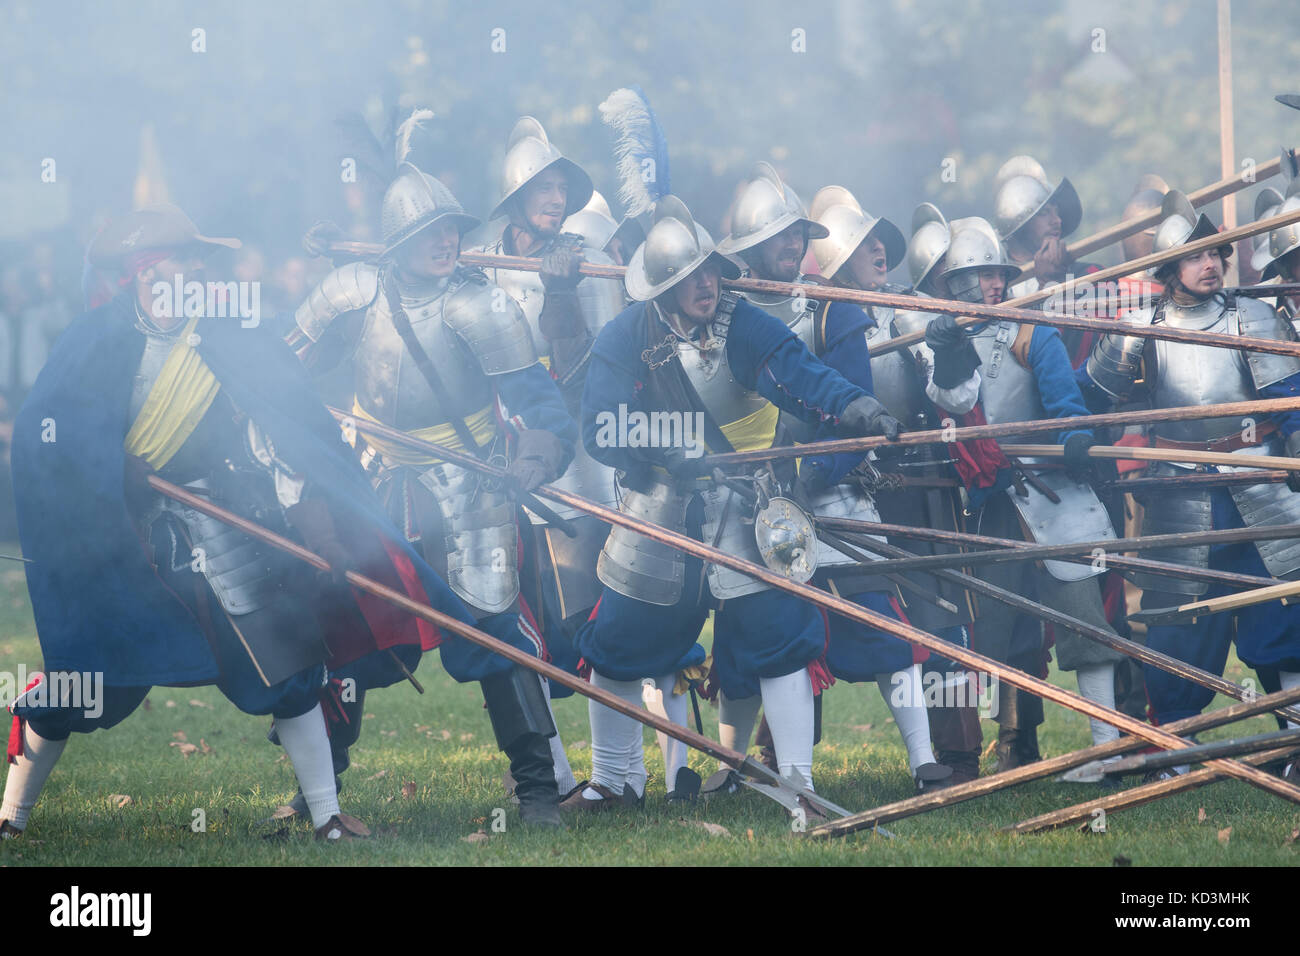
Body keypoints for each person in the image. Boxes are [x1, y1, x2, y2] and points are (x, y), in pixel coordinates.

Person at [2, 204, 476, 841]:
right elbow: (43, 436)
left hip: (221, 521)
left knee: (288, 665)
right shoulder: (92, 340)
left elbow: (290, 421)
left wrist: (321, 522)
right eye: (183, 259)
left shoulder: (231, 332)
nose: (197, 269)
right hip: (124, 537)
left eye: (200, 260)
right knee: (85, 683)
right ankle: (12, 817)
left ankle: (325, 815)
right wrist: (110, 468)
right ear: (144, 273)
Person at [569, 196, 900, 813]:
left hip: (752, 504)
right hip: (659, 511)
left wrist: (858, 410)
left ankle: (796, 783)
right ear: (663, 288)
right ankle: (614, 781)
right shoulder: (624, 336)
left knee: (781, 642)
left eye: (711, 271)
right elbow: (601, 427)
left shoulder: (745, 322)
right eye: (690, 276)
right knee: (614, 644)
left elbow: (801, 374)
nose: (706, 285)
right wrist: (672, 447)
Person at [290, 163, 579, 826]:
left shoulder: (480, 304)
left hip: (467, 482)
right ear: (397, 242)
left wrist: (537, 453)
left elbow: (539, 401)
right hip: (371, 479)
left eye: (452, 228)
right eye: (431, 231)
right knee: (345, 626)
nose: (448, 240)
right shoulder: (351, 292)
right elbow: (287, 368)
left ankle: (537, 789)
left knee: (495, 631)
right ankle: (320, 789)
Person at [1081, 191, 1300, 772]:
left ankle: (1296, 740)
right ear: (1169, 268)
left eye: (1217, 254)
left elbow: (1290, 402)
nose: (1212, 265)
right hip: (1180, 492)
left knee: (1282, 612)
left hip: (1261, 485)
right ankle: (1180, 745)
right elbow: (1086, 402)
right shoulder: (1138, 329)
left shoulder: (1249, 316)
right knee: (1180, 623)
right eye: (1197, 257)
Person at [934, 217, 1125, 770]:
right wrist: (946, 351)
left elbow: (1065, 401)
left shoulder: (1030, 329)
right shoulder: (942, 341)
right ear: (957, 284)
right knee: (999, 630)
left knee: (1084, 620)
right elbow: (952, 401)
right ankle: (1012, 747)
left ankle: (1105, 746)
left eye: (1000, 274)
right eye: (981, 275)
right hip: (993, 504)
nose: (995, 285)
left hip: (1053, 493)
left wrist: (1072, 438)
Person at [466, 119, 625, 730]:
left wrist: (561, 296)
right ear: (517, 198)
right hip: (500, 462)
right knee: (513, 620)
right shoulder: (481, 264)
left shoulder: (583, 264)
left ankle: (625, 773)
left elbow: (585, 375)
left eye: (563, 189)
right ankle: (547, 771)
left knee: (588, 621)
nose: (557, 200)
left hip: (576, 463)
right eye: (544, 189)